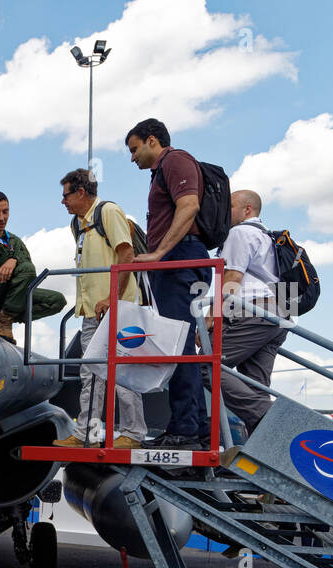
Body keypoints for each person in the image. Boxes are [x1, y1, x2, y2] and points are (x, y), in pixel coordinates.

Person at [126, 118, 213, 448]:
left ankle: (186, 429)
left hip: (178, 259)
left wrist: (159, 251)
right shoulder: (163, 168)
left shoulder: (174, 160)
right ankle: (193, 426)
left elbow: (188, 204)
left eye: (134, 149)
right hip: (175, 260)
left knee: (177, 344)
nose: (132, 158)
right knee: (180, 344)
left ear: (151, 141)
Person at [52, 169, 147, 450]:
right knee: (90, 372)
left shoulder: (108, 212)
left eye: (66, 195)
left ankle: (133, 433)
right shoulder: (78, 224)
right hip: (94, 311)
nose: (63, 201)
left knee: (122, 371)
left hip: (118, 308)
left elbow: (126, 254)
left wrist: (112, 297)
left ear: (81, 192)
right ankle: (87, 434)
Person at [210, 190, 291, 439]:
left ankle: (270, 417)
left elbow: (232, 279)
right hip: (279, 316)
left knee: (204, 365)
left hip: (253, 311)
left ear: (247, 210)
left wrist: (210, 318)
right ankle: (264, 452)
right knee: (254, 386)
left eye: (230, 205)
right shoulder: (266, 237)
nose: (225, 211)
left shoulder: (239, 232)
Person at [0, 190, 67, 341]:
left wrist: (13, 259)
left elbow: (28, 273)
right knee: (26, 270)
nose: (1, 218)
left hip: (11, 298)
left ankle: (2, 321)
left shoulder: (15, 242)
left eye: (5, 212)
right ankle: (3, 322)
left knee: (56, 300)